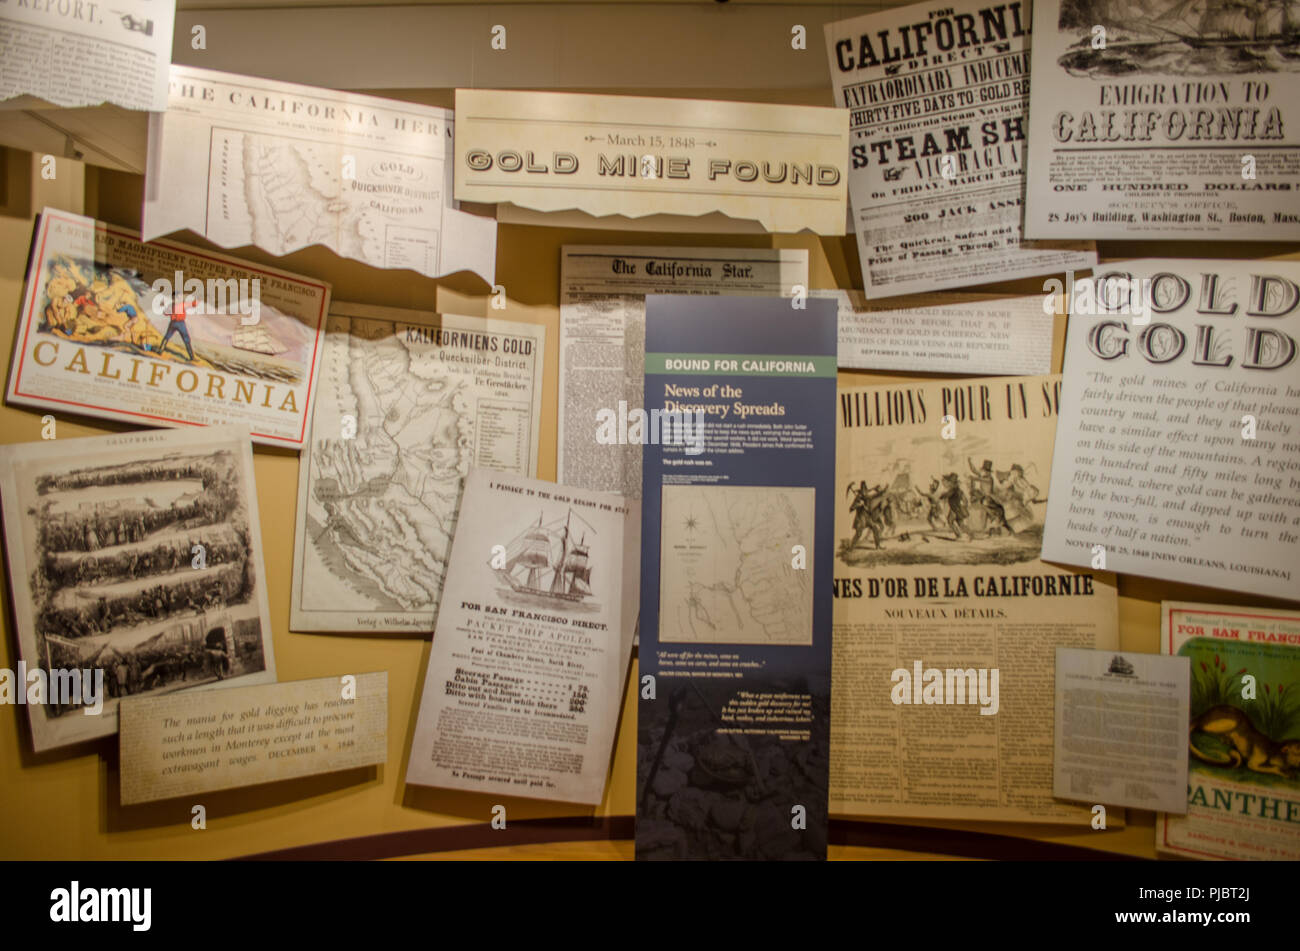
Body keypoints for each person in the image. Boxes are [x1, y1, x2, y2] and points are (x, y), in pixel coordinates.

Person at [159, 292, 195, 361]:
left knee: (167, 337)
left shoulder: (171, 305)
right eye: (180, 297)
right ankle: (192, 357)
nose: (181, 298)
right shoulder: (182, 304)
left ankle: (160, 350)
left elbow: (165, 313)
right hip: (180, 323)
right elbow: (193, 304)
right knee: (186, 339)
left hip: (173, 323)